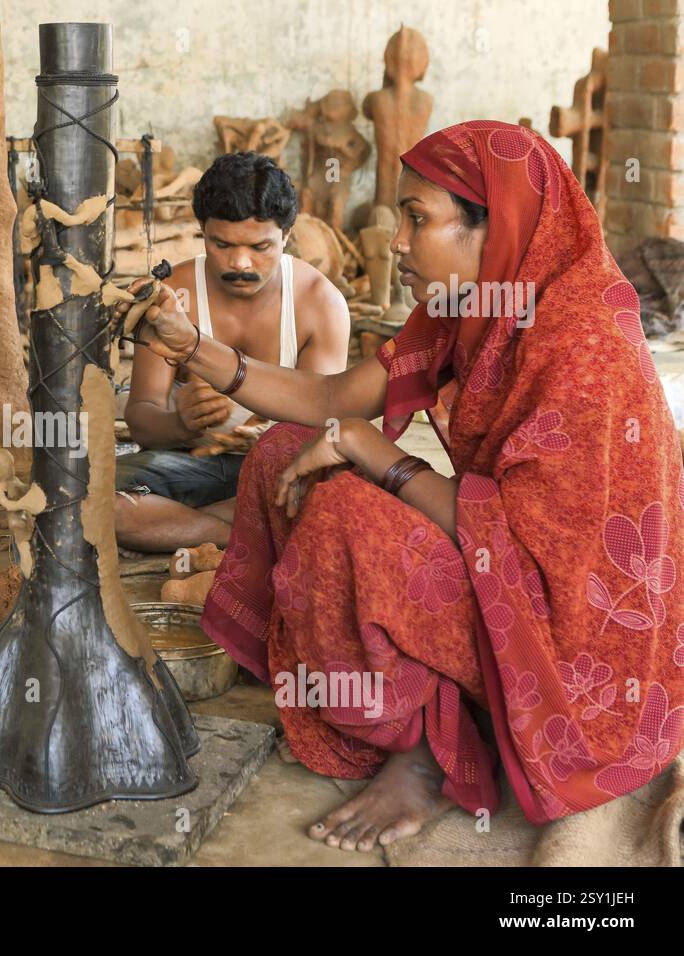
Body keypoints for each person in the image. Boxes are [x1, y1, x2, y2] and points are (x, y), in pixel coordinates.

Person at [118, 120, 684, 851]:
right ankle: (409, 706)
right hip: (503, 568)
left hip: (574, 644)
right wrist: (192, 348)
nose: (394, 243)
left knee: (348, 515)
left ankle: (427, 754)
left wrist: (374, 454)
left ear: (497, 225)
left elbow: (515, 539)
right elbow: (329, 402)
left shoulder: (584, 348)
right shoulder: (468, 305)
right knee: (281, 453)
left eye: (418, 220)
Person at [114, 152, 350, 553]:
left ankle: (187, 526)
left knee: (333, 494)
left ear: (287, 236)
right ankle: (245, 531)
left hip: (281, 472)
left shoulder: (318, 302)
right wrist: (180, 424)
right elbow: (141, 423)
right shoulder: (175, 296)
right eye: (222, 244)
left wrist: (261, 441)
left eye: (261, 246)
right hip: (189, 465)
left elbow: (319, 426)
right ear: (201, 231)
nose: (240, 263)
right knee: (89, 496)